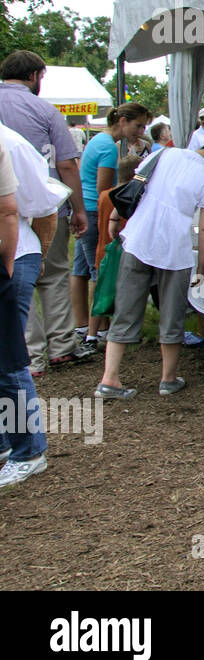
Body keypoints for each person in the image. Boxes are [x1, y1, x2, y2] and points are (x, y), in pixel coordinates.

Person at [94, 131, 204, 399]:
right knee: (172, 315)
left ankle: (109, 379)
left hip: (138, 239)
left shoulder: (163, 153)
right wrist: (201, 267)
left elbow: (132, 188)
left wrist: (115, 218)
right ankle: (168, 379)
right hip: (174, 250)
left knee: (125, 310)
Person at [0, 50, 91, 372]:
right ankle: (62, 346)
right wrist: (78, 208)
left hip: (4, 210)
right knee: (52, 275)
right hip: (42, 205)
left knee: (10, 280)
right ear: (35, 76)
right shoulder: (44, 110)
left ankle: (30, 354)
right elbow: (66, 164)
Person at [0, 124, 67, 487]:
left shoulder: (11, 144)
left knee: (8, 359)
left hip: (13, 255)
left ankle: (28, 450)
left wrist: (29, 257)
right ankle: (8, 442)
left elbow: (43, 206)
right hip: (13, 253)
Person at [75, 103, 152, 357]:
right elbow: (106, 189)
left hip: (86, 208)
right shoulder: (108, 146)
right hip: (95, 211)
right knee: (101, 271)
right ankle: (98, 329)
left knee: (83, 270)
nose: (140, 132)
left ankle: (85, 326)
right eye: (137, 125)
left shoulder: (98, 141)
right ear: (121, 120)